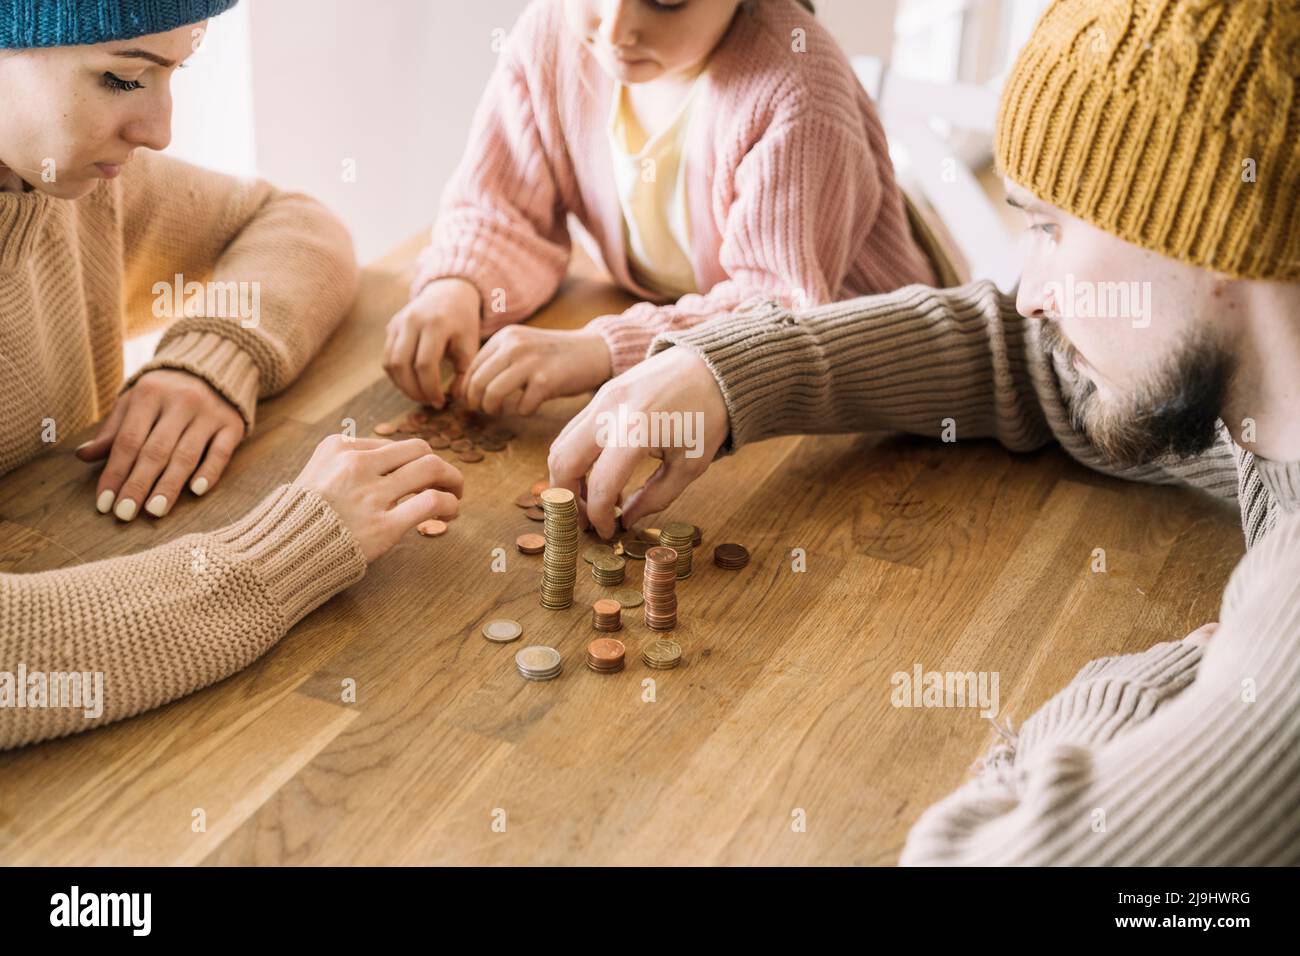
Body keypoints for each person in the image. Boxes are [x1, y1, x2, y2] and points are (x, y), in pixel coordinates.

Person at [547, 0, 1300, 864]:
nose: (1030, 290)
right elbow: (1023, 359)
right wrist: (726, 372)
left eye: (1051, 228)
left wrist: (1154, 684)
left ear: (1215, 234)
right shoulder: (1261, 392)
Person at [0, 0, 463, 750]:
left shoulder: (68, 183)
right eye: (123, 78)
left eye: (174, 72)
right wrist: (286, 552)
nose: (159, 130)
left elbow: (296, 224)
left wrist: (212, 356)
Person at [383, 0, 936, 418]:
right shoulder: (551, 35)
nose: (616, 28)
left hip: (857, 385)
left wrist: (601, 349)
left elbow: (779, 315)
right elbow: (503, 207)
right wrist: (460, 285)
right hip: (688, 339)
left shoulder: (798, 92)